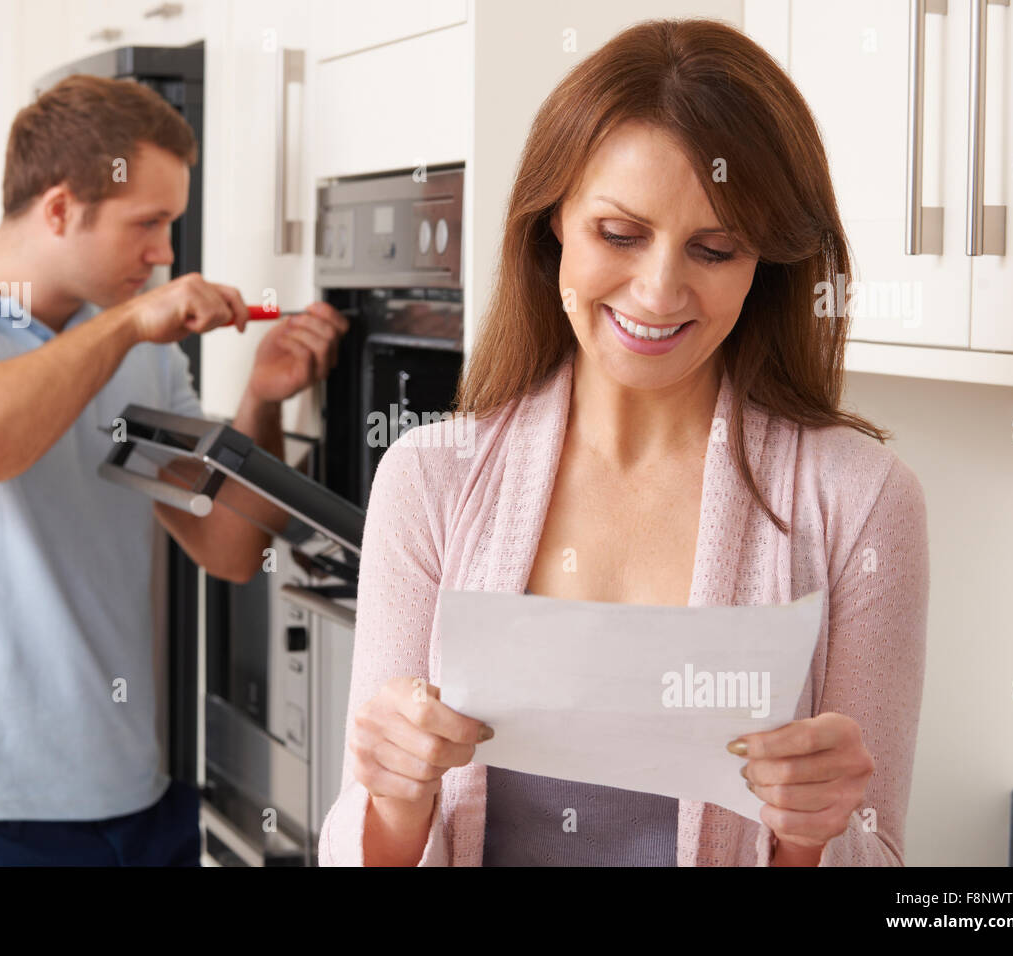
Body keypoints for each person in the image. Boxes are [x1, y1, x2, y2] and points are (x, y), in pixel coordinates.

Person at [318, 19, 929, 866]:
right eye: (620, 234)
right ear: (553, 223)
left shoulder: (859, 500)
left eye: (715, 249)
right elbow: (362, 845)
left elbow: (882, 863)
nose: (659, 289)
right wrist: (393, 797)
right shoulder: (429, 481)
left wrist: (809, 837)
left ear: (767, 267)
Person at [0, 74, 349, 866]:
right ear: (61, 207)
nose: (166, 254)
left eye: (171, 224)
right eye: (149, 223)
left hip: (135, 803)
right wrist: (132, 325)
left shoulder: (140, 350)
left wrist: (262, 402)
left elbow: (231, 548)